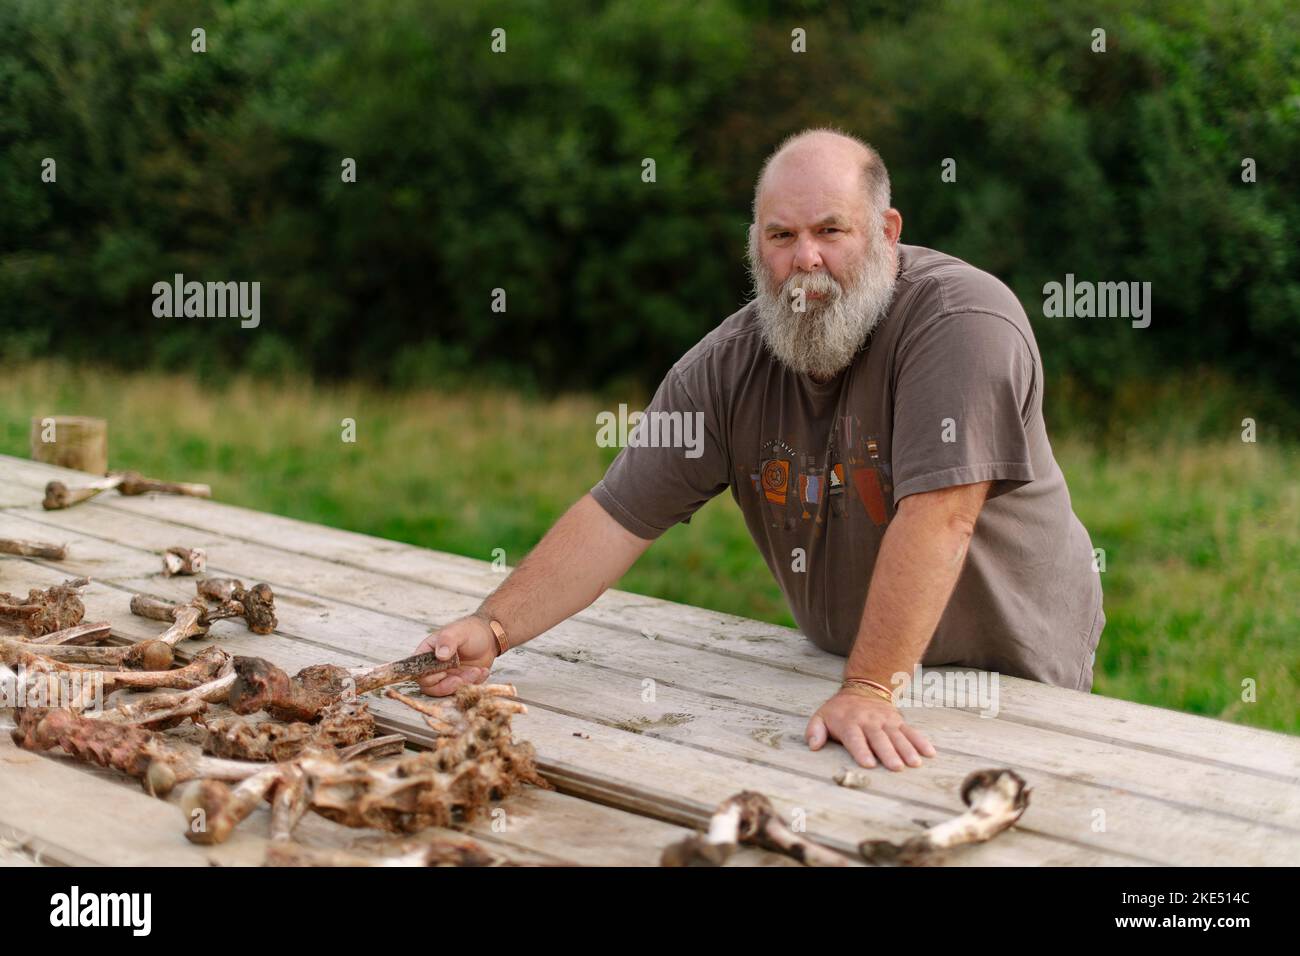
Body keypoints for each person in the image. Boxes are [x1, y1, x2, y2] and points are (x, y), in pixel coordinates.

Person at [415, 127, 1104, 772]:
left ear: (887, 233)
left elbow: (941, 515)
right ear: (756, 247)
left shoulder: (960, 321)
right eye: (782, 235)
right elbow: (615, 516)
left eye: (831, 230)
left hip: (1007, 673)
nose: (806, 257)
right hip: (854, 673)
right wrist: (494, 627)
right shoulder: (723, 368)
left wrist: (869, 686)